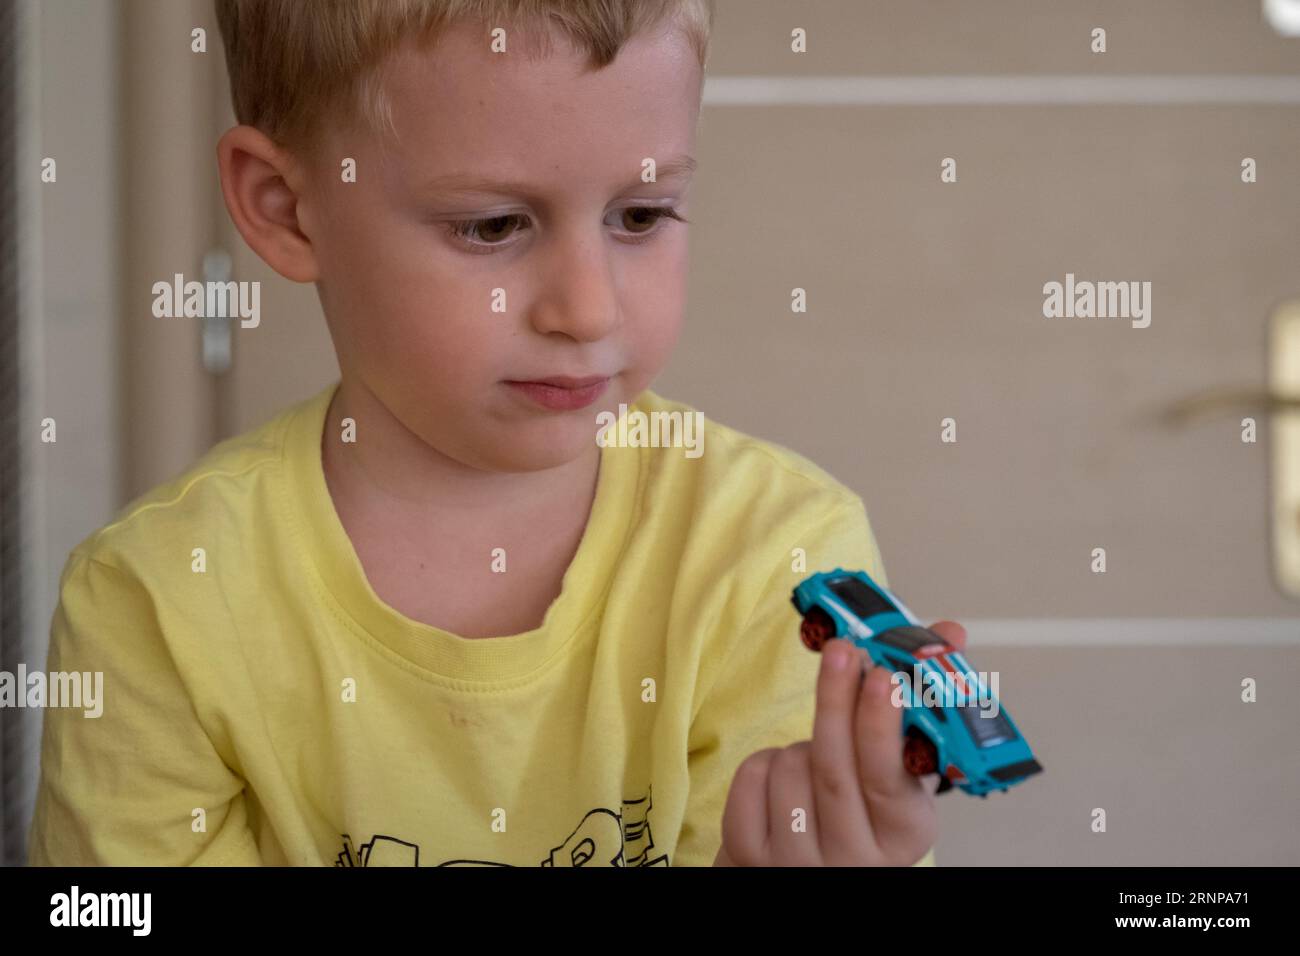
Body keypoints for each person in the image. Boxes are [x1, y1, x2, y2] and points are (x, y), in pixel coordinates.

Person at [28, 0, 962, 867]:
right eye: (493, 226)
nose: (586, 309)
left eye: (639, 215)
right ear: (284, 206)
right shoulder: (157, 601)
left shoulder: (774, 558)